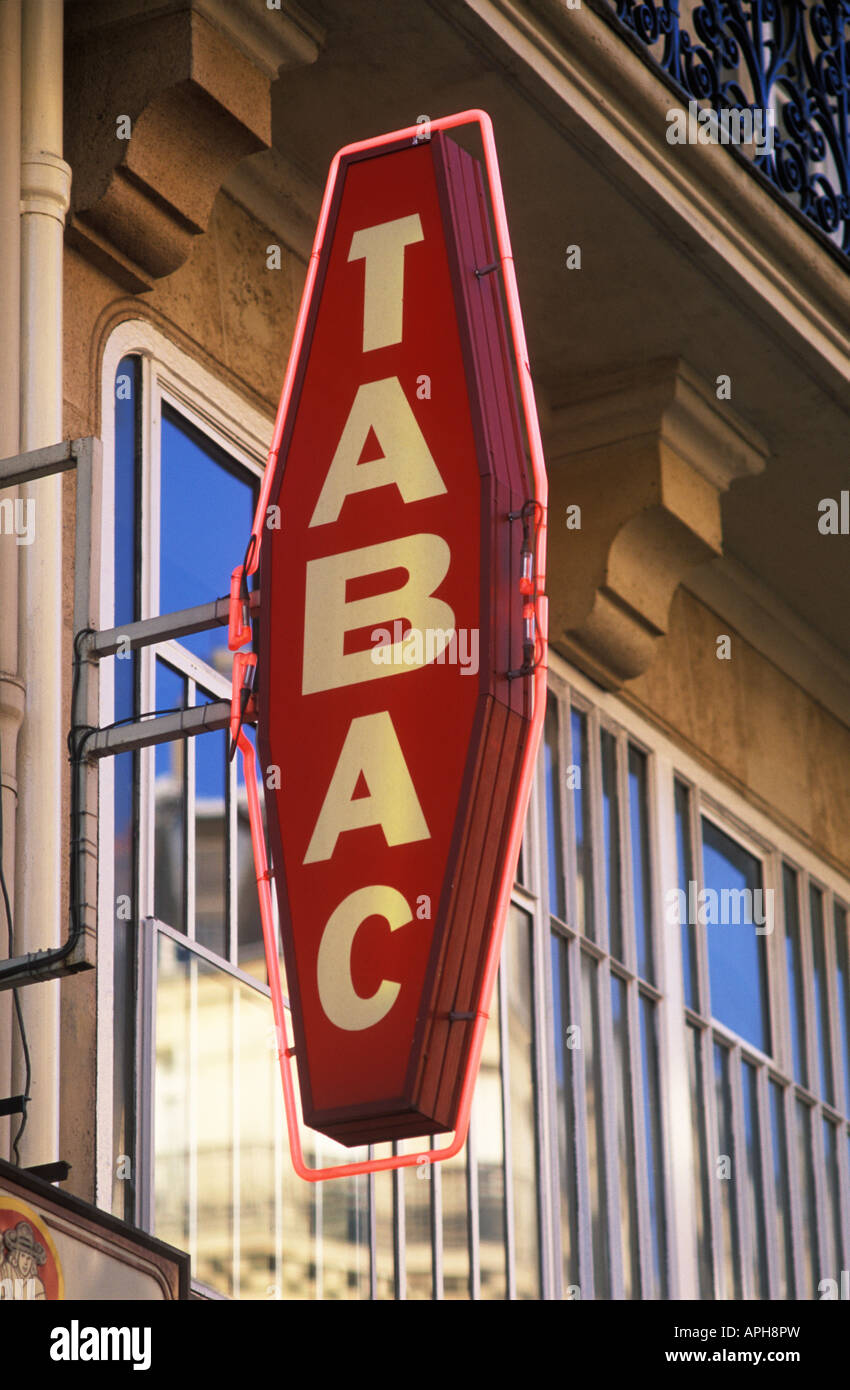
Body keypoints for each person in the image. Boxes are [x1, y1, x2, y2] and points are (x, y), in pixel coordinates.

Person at [1, 1221, 47, 1299]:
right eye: (22, 1256)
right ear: (15, 1258)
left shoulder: (36, 1285)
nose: (26, 1262)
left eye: (28, 1258)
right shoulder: (6, 1271)